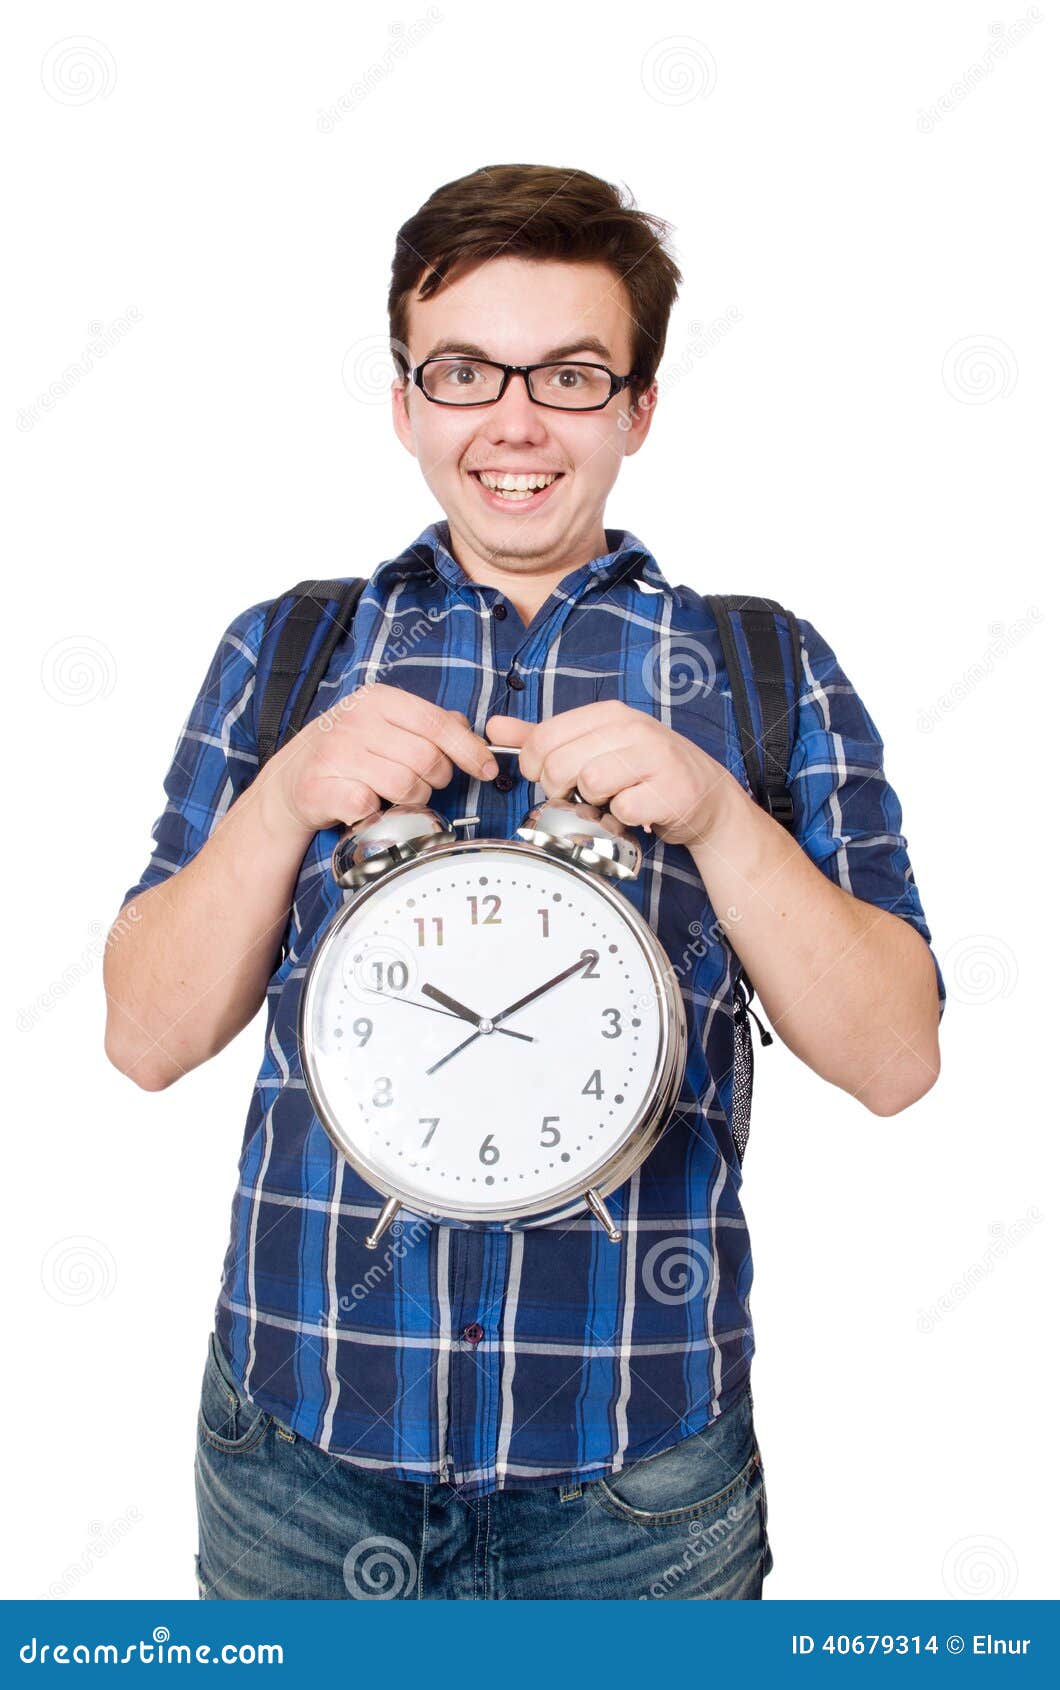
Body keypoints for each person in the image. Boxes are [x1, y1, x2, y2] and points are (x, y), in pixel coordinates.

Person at [104, 164, 945, 1601]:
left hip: (637, 1480)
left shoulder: (760, 669)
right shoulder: (287, 652)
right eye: (463, 370)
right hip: (295, 1453)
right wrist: (284, 796)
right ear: (405, 403)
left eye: (567, 374)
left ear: (636, 410)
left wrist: (724, 821)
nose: (513, 421)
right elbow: (144, 1036)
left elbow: (896, 1059)